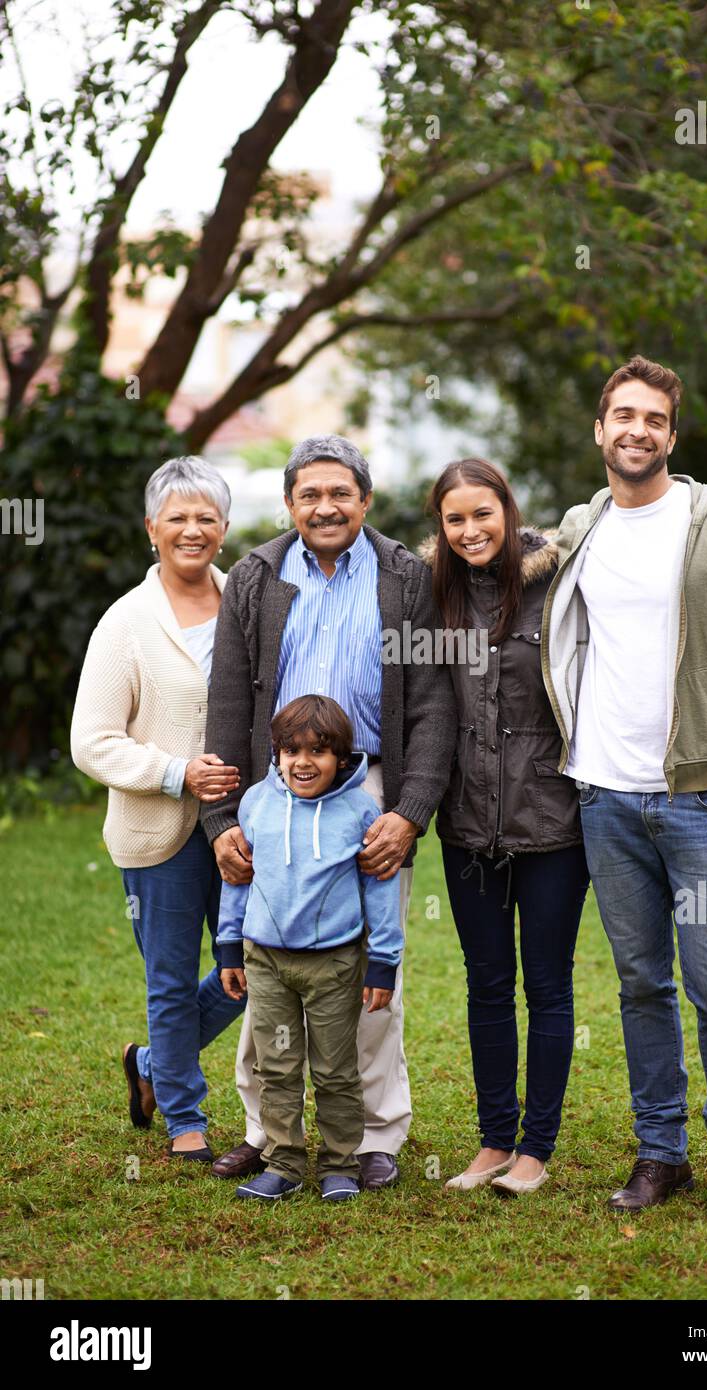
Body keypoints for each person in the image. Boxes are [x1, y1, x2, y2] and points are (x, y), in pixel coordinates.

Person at [541, 355, 707, 1221]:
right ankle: (661, 1152)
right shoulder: (580, 528)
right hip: (602, 798)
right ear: (599, 430)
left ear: (671, 435)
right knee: (640, 982)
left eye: (652, 418)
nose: (636, 430)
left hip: (705, 801)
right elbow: (492, 571)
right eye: (622, 415)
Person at [201, 435, 455, 1188]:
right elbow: (226, 704)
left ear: (365, 500)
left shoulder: (404, 578)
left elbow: (434, 706)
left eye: (340, 493)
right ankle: (265, 1130)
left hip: (369, 793)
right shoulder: (254, 577)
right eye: (309, 495)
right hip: (274, 794)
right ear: (289, 504)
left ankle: (374, 1135)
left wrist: (407, 813)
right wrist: (223, 823)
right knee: (267, 958)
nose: (325, 507)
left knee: (373, 969)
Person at [421, 458, 590, 1195]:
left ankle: (535, 1149)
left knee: (546, 984)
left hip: (552, 820)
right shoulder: (434, 595)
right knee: (485, 981)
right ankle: (493, 1141)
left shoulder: (558, 585)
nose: (469, 531)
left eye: (482, 515)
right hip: (466, 827)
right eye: (454, 519)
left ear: (508, 512)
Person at [70, 456, 246, 1161]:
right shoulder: (127, 623)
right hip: (159, 832)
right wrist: (175, 772)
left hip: (238, 827)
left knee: (251, 966)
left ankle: (149, 1066)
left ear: (225, 529)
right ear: (152, 528)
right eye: (177, 517)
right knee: (170, 979)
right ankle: (184, 1119)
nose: (192, 529)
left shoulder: (247, 604)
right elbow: (91, 742)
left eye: (206, 516)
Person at [217, 695, 402, 1202]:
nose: (303, 763)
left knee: (335, 1070)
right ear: (276, 753)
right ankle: (283, 1164)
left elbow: (380, 889)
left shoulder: (362, 808)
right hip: (267, 962)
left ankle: (340, 1165)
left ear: (341, 758)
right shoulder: (256, 802)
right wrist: (228, 947)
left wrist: (383, 962)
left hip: (336, 965)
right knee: (276, 1065)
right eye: (290, 751)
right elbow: (238, 879)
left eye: (318, 752)